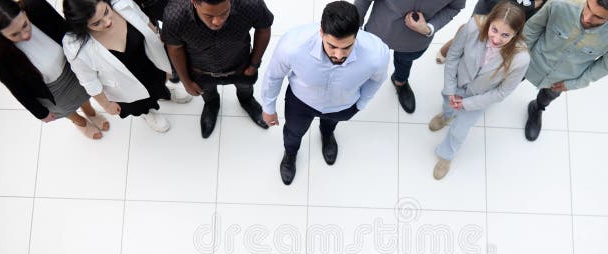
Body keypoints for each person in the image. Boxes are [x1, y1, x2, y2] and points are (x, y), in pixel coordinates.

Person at [261, 1, 390, 185]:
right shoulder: (293, 45)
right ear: (321, 32)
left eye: (346, 47)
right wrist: (268, 107)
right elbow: (274, 76)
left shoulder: (376, 54)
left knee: (330, 125)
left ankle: (327, 135)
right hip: (300, 103)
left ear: (357, 35)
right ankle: (290, 154)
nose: (339, 55)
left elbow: (377, 80)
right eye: (332, 46)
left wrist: (361, 104)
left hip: (343, 105)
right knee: (293, 132)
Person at [429, 1, 529, 180]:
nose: (496, 39)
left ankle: (446, 155)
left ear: (516, 34)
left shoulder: (520, 59)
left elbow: (502, 92)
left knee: (459, 131)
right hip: (457, 82)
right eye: (494, 30)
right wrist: (450, 89)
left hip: (479, 97)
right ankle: (446, 116)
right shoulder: (473, 27)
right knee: (446, 103)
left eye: (506, 35)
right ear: (489, 22)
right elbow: (453, 56)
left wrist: (467, 104)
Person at [0, 0, 108, 140]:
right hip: (48, 90)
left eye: (25, 25)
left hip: (71, 68)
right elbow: (16, 88)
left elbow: (66, 29)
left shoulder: (36, 6)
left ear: (24, 12)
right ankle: (80, 122)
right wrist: (40, 113)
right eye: (14, 34)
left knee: (83, 93)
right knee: (65, 109)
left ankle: (90, 112)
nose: (25, 35)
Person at [162, 0, 273, 138]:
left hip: (240, 65)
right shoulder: (175, 15)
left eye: (224, 13)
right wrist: (186, 82)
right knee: (207, 94)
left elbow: (264, 29)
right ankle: (211, 105)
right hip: (200, 70)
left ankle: (247, 101)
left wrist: (254, 65)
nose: (217, 22)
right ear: (194, 2)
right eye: (209, 16)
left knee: (245, 88)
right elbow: (175, 48)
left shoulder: (251, 4)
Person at [522, 0, 608, 141]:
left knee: (547, 97)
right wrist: (520, 56)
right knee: (508, 80)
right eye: (588, 6)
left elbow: (604, 66)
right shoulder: (560, 3)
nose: (586, 17)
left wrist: (573, 84)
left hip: (561, 80)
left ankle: (537, 108)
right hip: (532, 60)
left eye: (598, 17)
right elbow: (532, 28)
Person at [63, 0, 176, 133]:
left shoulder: (123, 4)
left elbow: (147, 25)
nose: (107, 22)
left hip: (149, 64)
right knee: (140, 103)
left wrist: (163, 57)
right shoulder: (75, 47)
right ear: (82, 25)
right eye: (96, 23)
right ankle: (147, 112)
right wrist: (106, 104)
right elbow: (89, 81)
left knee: (159, 84)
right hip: (125, 85)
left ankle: (165, 92)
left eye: (106, 11)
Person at [354, 0, 465, 113]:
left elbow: (454, 7)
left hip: (414, 42)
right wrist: (354, 27)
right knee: (367, 61)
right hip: (379, 29)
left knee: (404, 63)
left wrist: (429, 28)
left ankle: (400, 81)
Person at [436, 0, 547, 63]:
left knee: (492, 41)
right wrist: (529, 5)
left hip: (515, 19)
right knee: (472, 32)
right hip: (491, 6)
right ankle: (449, 48)